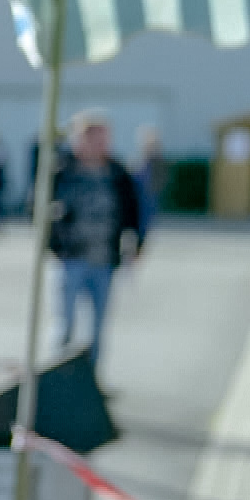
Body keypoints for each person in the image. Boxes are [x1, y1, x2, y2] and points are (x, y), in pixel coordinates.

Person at [50, 109, 143, 373]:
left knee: (98, 324)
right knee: (64, 321)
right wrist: (54, 240)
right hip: (71, 257)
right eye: (92, 138)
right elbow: (40, 208)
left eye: (103, 138)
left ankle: (92, 376)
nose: (99, 144)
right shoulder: (62, 171)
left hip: (104, 258)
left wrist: (136, 244)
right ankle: (59, 375)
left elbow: (134, 210)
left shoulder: (117, 173)